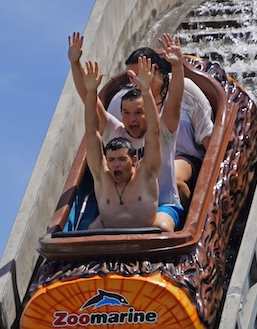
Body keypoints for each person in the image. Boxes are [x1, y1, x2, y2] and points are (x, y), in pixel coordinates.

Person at [68, 32, 184, 231]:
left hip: (162, 204)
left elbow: (175, 102)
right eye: (127, 113)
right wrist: (75, 63)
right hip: (125, 208)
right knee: (90, 233)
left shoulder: (162, 131)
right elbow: (88, 98)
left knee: (161, 229)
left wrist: (177, 66)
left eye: (139, 113)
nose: (132, 119)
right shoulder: (116, 133)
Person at [108, 42, 214, 205]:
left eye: (141, 75)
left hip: (182, 157)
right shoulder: (123, 100)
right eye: (131, 77)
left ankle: (182, 220)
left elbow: (208, 137)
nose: (136, 82)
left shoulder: (184, 89)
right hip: (141, 159)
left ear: (155, 70)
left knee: (174, 181)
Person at [82, 57, 161, 230]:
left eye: (121, 160)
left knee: (164, 225)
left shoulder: (146, 173)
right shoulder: (103, 178)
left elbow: (154, 132)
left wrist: (146, 91)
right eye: (111, 160)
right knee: (91, 230)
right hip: (111, 242)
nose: (116, 165)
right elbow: (91, 132)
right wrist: (90, 92)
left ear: (133, 161)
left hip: (147, 240)